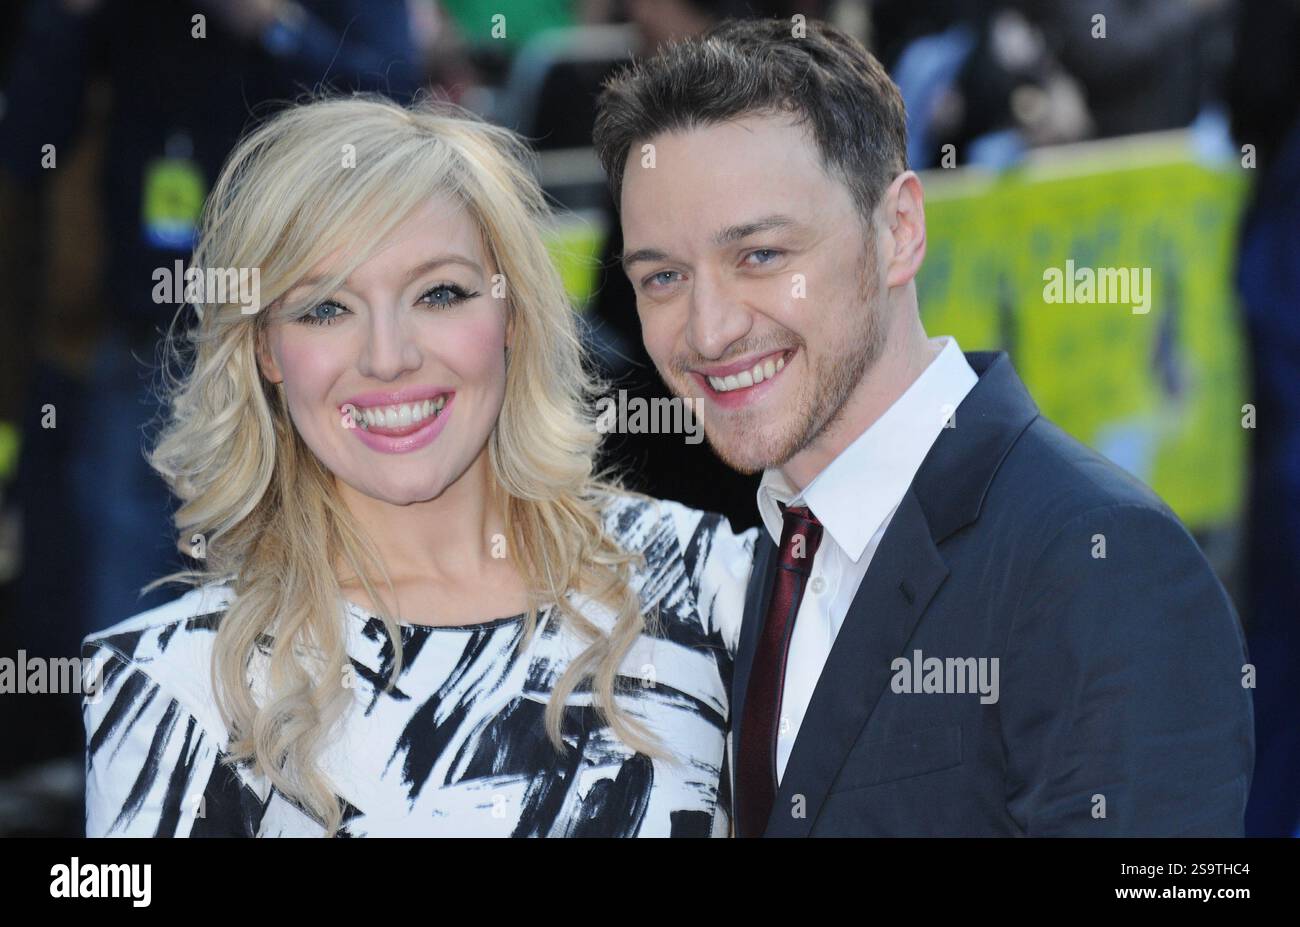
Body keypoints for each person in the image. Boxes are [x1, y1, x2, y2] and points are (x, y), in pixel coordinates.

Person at [593, 17, 1255, 836]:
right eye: (661, 277)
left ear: (900, 229)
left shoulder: (1103, 561)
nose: (709, 328)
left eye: (761, 255)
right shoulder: (771, 552)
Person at [80, 95, 755, 837]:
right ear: (266, 349)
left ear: (514, 317)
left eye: (439, 293)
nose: (389, 356)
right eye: (326, 308)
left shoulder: (706, 582)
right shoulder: (175, 684)